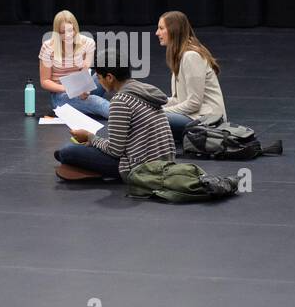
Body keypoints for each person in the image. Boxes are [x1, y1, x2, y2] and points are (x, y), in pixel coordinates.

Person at [54, 60, 175, 181]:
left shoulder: (120, 101)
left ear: (110, 77)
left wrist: (89, 137)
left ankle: (78, 162)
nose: (99, 82)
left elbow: (114, 151)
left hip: (140, 168)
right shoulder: (144, 89)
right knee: (83, 149)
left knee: (68, 151)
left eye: (100, 78)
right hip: (165, 161)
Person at [156, 10, 226, 144]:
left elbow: (194, 103)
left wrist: (161, 110)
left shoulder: (191, 57)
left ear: (173, 30)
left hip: (207, 119)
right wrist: (156, 104)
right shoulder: (180, 56)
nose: (157, 33)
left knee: (147, 116)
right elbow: (179, 99)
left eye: (161, 28)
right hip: (193, 115)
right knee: (144, 112)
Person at [38, 10, 108, 119]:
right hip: (60, 95)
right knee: (97, 102)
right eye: (62, 32)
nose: (68, 35)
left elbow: (85, 71)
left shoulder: (88, 43)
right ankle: (127, 117)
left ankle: (128, 103)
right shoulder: (48, 47)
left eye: (71, 30)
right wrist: (71, 88)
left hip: (81, 86)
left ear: (75, 28)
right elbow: (45, 81)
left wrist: (84, 89)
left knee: (106, 73)